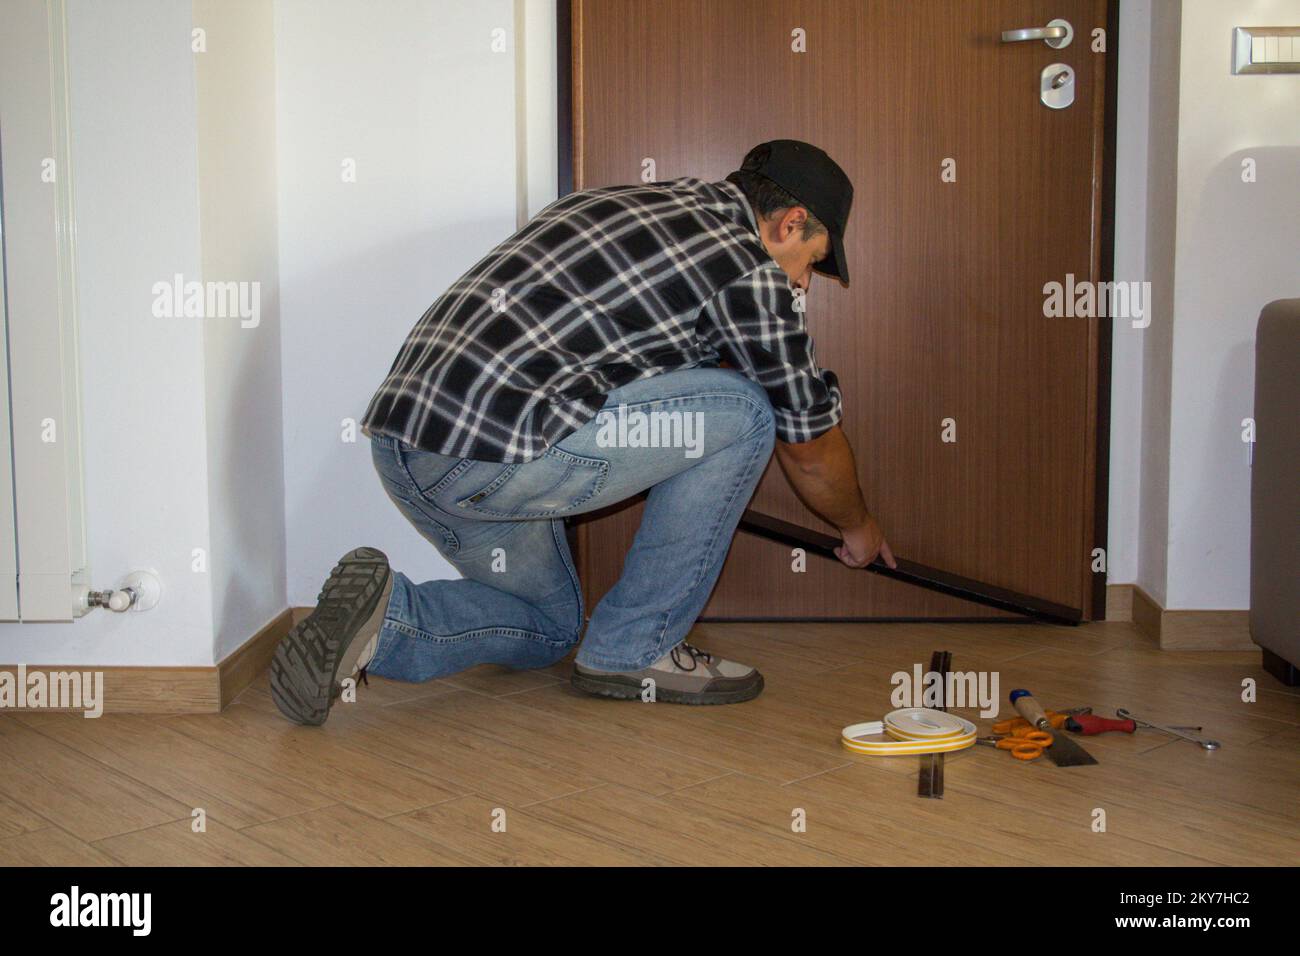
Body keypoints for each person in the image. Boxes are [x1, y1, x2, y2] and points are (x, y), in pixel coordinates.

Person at [271, 140, 895, 726]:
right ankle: (635, 649)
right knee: (751, 411)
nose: (805, 283)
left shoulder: (616, 202)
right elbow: (810, 445)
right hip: (498, 455)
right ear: (789, 223)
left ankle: (385, 622)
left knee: (549, 627)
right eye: (811, 261)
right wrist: (857, 526)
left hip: (410, 449)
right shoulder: (745, 266)